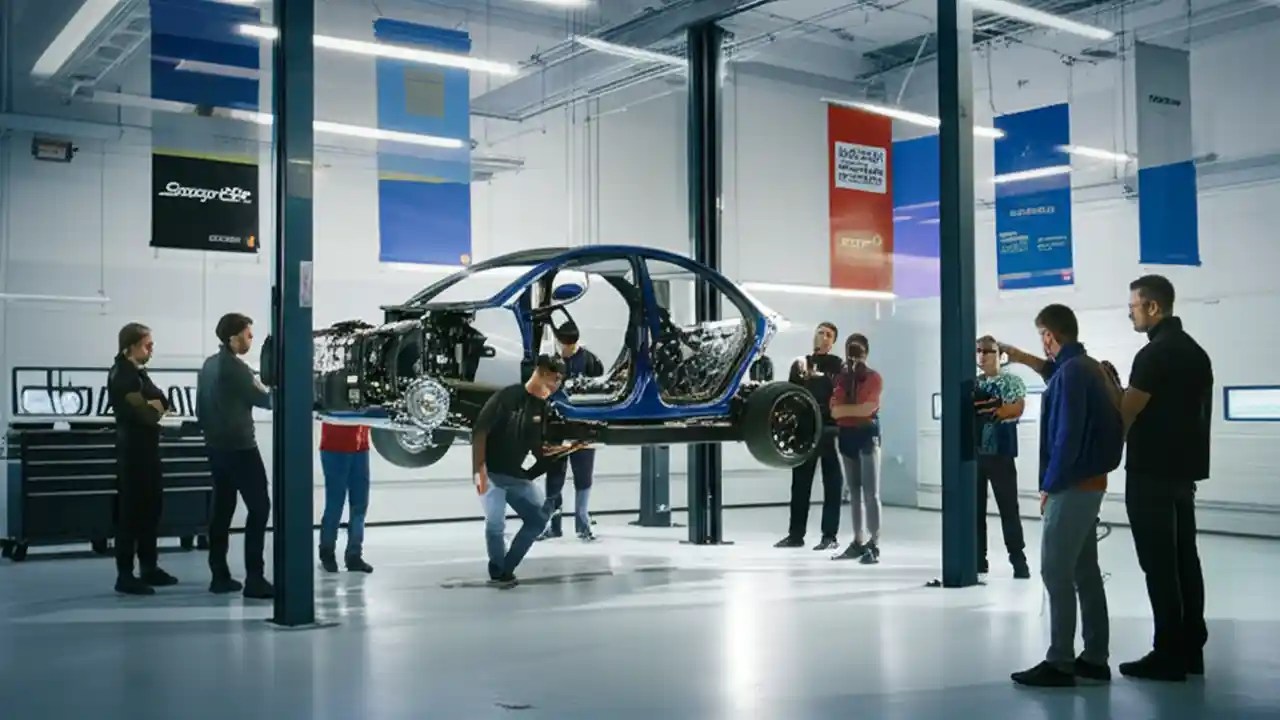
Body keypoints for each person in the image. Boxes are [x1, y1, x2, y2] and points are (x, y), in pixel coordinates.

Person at [1002, 304, 1123, 688]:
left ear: (1049, 335)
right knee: (1085, 571)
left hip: (1071, 486)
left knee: (1056, 571)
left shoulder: (1072, 373)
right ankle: (1095, 657)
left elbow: (1065, 436)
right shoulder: (1084, 367)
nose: (1043, 342)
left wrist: (1049, 486)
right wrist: (1020, 356)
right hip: (1090, 483)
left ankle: (1060, 661)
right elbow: (1052, 372)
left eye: (1042, 336)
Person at [1117, 275, 1212, 682]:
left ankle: (1167, 653)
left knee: (1158, 563)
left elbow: (1128, 411)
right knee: (1184, 558)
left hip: (1150, 472)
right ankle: (1191, 648)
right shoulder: (1195, 352)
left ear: (1153, 307)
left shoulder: (1154, 354)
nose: (1130, 312)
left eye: (1134, 306)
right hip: (1182, 473)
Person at [473, 354, 580, 589]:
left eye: (560, 382)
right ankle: (498, 572)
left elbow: (537, 448)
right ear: (540, 372)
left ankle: (506, 567)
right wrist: (478, 470)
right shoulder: (506, 397)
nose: (556, 386)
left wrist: (559, 452)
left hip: (515, 476)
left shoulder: (540, 408)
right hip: (491, 473)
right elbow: (480, 431)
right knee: (495, 525)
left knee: (539, 519)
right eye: (555, 379)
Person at [197, 313, 274, 599]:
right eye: (248, 335)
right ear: (233, 337)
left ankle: (219, 575)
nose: (251, 339)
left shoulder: (207, 366)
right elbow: (267, 400)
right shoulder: (237, 370)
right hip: (241, 449)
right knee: (259, 508)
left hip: (216, 449)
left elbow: (199, 408)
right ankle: (255, 578)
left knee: (221, 509)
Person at [108, 323, 179, 595]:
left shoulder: (139, 374)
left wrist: (155, 404)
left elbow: (163, 401)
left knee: (150, 511)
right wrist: (155, 405)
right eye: (147, 344)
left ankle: (149, 567)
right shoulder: (123, 375)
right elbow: (150, 414)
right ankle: (125, 575)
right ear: (131, 346)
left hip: (147, 452)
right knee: (131, 515)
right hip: (133, 455)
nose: (152, 349)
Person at [775, 322, 846, 551]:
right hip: (805, 432)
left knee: (832, 483)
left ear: (833, 341)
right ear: (814, 336)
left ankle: (829, 535)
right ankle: (795, 535)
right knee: (800, 484)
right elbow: (792, 396)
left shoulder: (838, 367)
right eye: (821, 333)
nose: (824, 337)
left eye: (829, 335)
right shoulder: (800, 365)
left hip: (830, 431)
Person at [539, 321, 605, 542]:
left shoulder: (591, 361)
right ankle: (553, 526)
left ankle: (583, 525)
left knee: (583, 477)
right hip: (556, 428)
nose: (565, 347)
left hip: (582, 429)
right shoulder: (552, 363)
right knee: (554, 478)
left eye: (568, 344)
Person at [974, 335, 1031, 579]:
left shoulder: (1012, 381)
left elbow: (1015, 408)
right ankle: (977, 559)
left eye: (988, 351)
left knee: (1009, 509)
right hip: (975, 455)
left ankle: (1018, 561)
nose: (983, 355)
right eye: (979, 351)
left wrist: (989, 409)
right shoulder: (972, 383)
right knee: (975, 512)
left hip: (1002, 454)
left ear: (999, 355)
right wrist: (995, 408)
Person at [830, 333, 883, 564]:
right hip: (847, 436)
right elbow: (835, 412)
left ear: (866, 354)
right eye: (850, 354)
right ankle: (858, 540)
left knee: (871, 493)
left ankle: (874, 542)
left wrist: (849, 410)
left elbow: (867, 409)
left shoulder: (874, 378)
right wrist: (854, 409)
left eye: (858, 354)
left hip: (866, 436)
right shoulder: (842, 380)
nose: (853, 360)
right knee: (854, 492)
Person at [318, 422, 374, 574]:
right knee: (335, 505)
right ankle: (327, 553)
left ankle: (354, 556)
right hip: (335, 447)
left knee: (360, 504)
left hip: (360, 447)